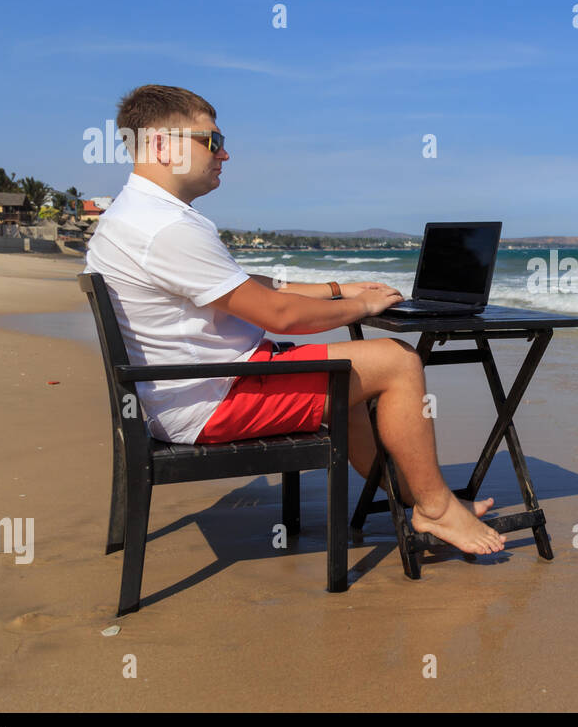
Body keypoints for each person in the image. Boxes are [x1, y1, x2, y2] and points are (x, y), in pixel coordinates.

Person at [84, 84, 504, 555]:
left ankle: (424, 499)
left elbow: (247, 284)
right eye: (213, 142)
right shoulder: (167, 229)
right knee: (397, 361)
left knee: (355, 380)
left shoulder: (136, 215)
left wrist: (336, 289)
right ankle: (436, 511)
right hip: (215, 399)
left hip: (193, 389)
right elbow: (279, 316)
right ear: (162, 146)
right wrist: (362, 306)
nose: (226, 155)